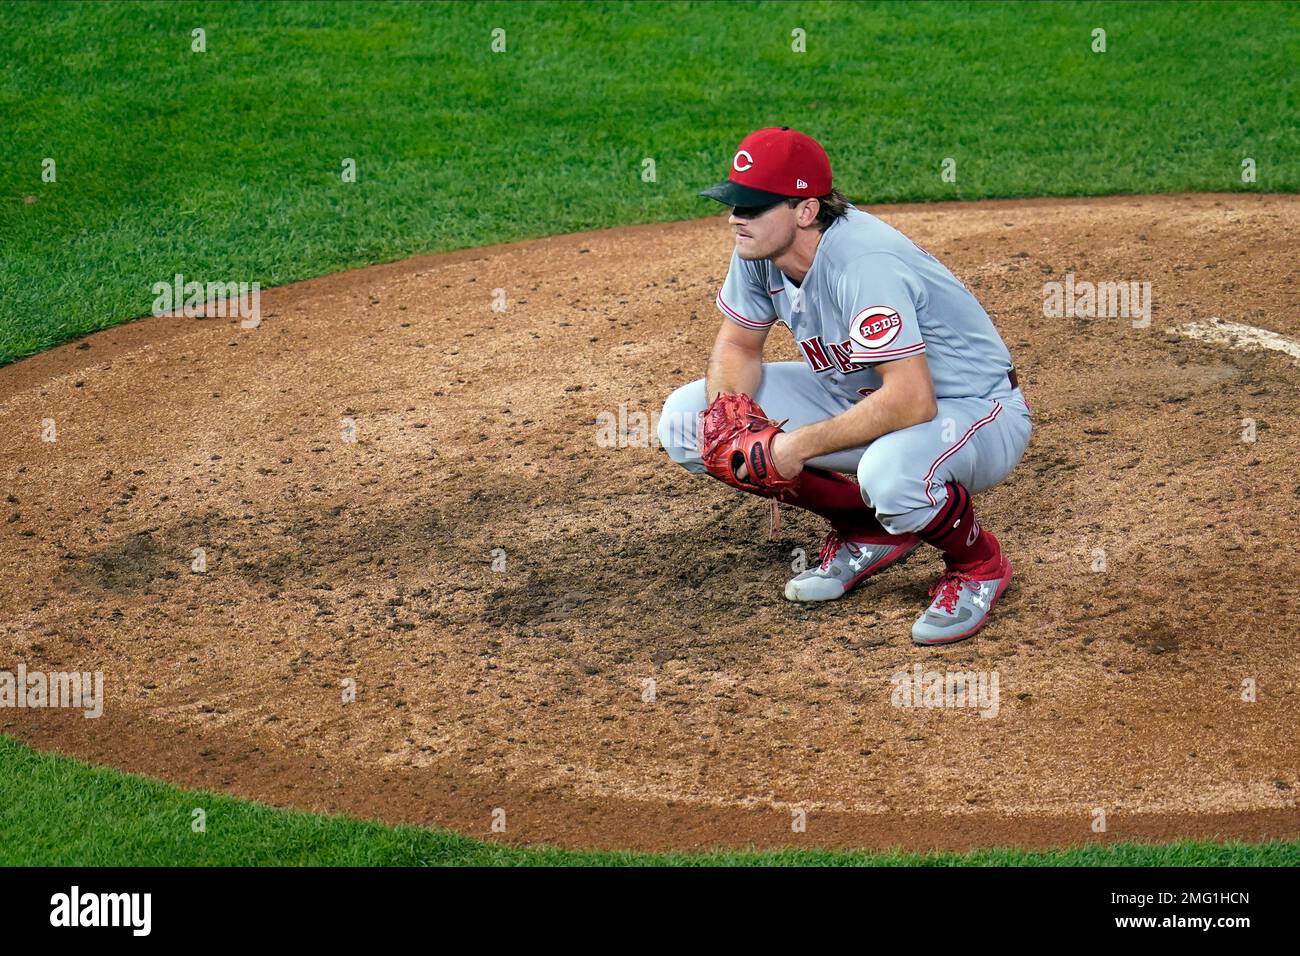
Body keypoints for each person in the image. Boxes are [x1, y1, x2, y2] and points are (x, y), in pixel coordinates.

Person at [657, 127, 1032, 644]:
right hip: (859, 391)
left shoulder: (863, 263)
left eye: (752, 207)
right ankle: (866, 528)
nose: (734, 219)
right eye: (733, 204)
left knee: (891, 475)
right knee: (688, 422)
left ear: (805, 210)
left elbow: (911, 398)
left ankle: (978, 564)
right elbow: (738, 346)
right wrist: (733, 416)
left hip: (970, 408)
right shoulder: (758, 249)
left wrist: (793, 446)